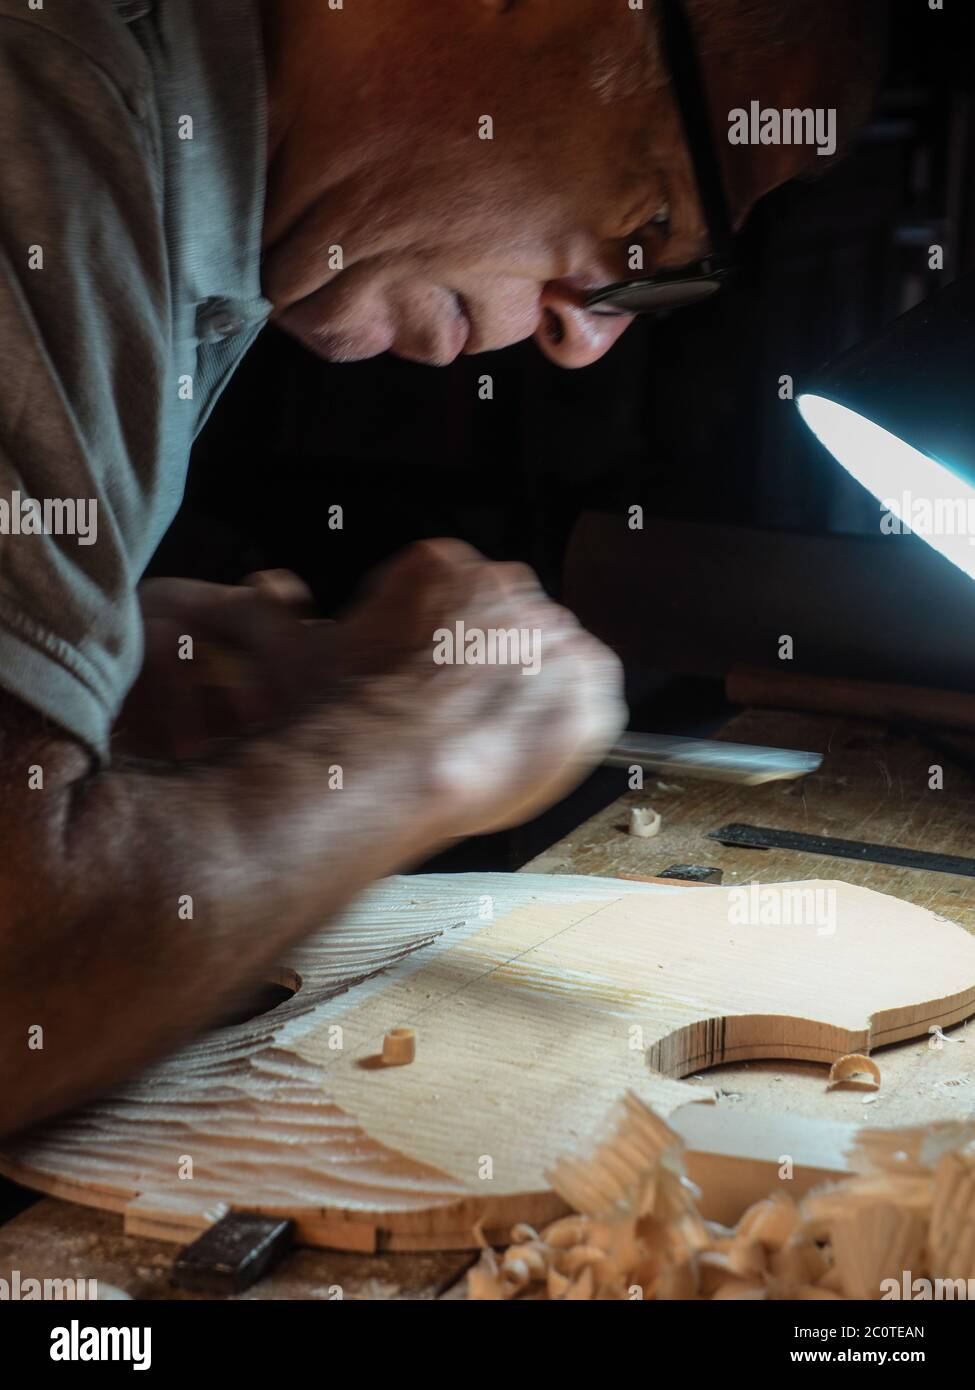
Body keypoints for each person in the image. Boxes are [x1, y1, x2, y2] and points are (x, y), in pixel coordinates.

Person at [0, 0, 880, 1137]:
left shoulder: (181, 177)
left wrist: (101, 690)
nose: (587, 335)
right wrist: (424, 745)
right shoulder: (56, 108)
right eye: (653, 218)